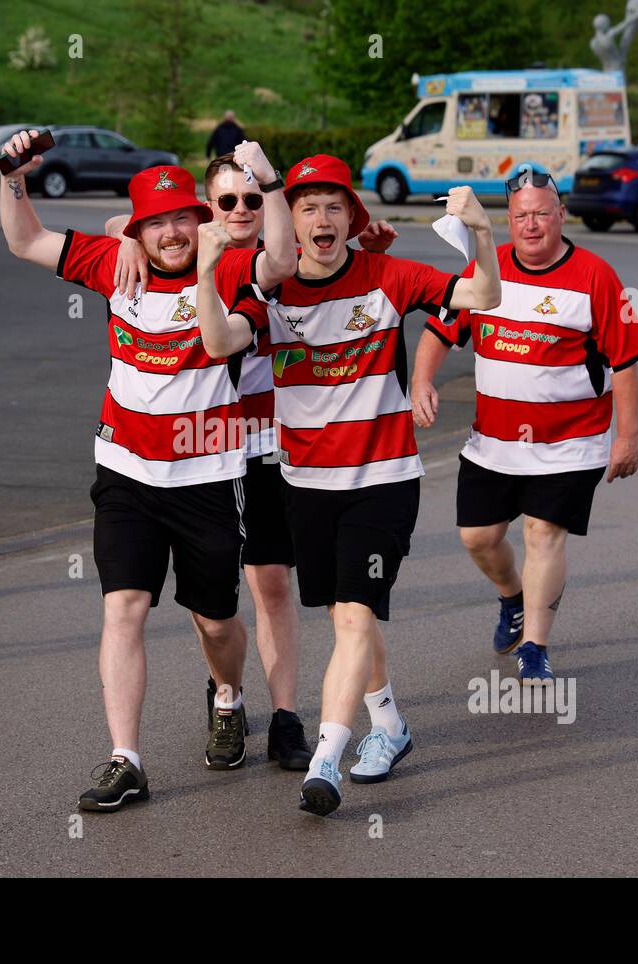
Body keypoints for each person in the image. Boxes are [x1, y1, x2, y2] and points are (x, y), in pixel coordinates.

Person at [0, 129, 297, 811]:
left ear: (201, 219)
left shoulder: (227, 265)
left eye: (180, 218)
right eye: (154, 222)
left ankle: (227, 691)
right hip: (125, 472)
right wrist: (13, 178)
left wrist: (269, 182)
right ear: (137, 228)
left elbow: (280, 255)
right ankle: (125, 758)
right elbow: (24, 241)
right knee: (123, 607)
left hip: (204, 476)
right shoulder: (113, 262)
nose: (169, 233)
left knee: (215, 620)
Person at [194, 155, 501, 817]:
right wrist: (202, 267)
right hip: (305, 483)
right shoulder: (269, 295)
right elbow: (218, 342)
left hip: (383, 478)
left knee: (356, 614)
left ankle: (328, 757)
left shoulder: (387, 276)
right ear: (290, 222)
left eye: (335, 205)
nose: (322, 218)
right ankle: (388, 724)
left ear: (351, 217)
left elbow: (481, 298)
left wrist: (481, 235)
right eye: (308, 207)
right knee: (345, 616)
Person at [103, 154, 402, 771]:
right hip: (204, 450)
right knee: (210, 601)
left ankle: (288, 718)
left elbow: (353, 264)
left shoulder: (284, 253)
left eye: (250, 199)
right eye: (226, 202)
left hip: (273, 444)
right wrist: (120, 234)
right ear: (206, 210)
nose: (240, 211)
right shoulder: (198, 259)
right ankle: (226, 695)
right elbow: (129, 222)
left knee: (271, 584)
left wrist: (367, 245)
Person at [410, 168, 638, 685]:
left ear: (561, 215)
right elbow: (439, 326)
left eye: (542, 213)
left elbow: (627, 359)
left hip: (570, 442)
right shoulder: (487, 270)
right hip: (493, 443)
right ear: (508, 220)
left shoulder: (595, 276)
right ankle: (512, 599)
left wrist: (627, 438)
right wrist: (421, 380)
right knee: (477, 538)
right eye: (521, 215)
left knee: (542, 532)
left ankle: (536, 647)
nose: (531, 225)